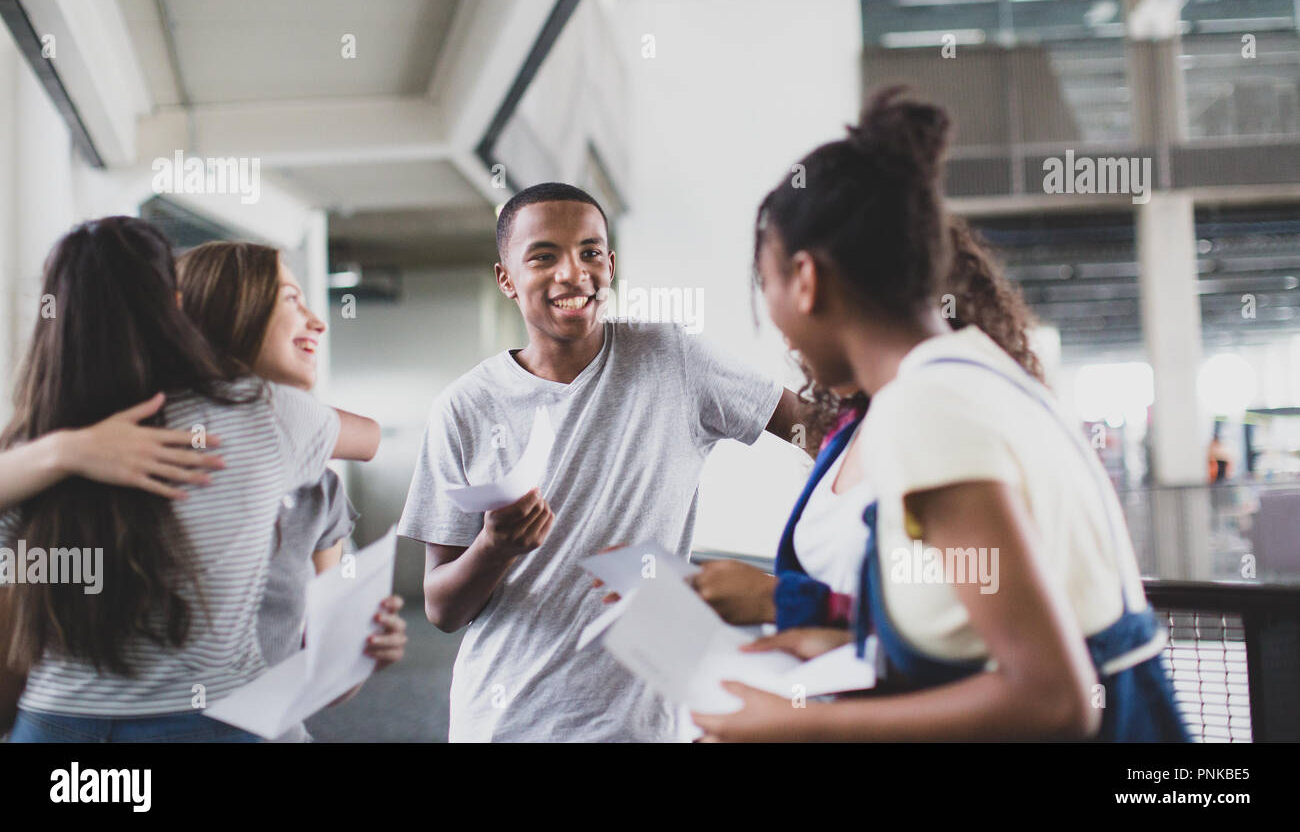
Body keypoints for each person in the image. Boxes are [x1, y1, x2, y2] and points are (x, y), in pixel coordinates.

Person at [691, 87, 1188, 742]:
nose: (778, 329)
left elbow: (1054, 701)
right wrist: (853, 649)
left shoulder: (923, 408)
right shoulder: (975, 375)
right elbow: (985, 629)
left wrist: (797, 728)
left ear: (806, 279)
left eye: (768, 287)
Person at [399, 182, 815, 742]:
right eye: (544, 256)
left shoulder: (673, 358)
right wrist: (494, 548)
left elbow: (817, 431)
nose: (573, 273)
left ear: (610, 265)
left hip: (642, 725)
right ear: (506, 280)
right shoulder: (465, 406)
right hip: (506, 722)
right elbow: (442, 608)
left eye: (590, 252)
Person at [0, 216, 379, 742]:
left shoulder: (27, 452)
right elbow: (369, 438)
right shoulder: (263, 414)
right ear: (176, 305)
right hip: (213, 720)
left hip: (55, 727)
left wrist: (63, 451)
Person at [690, 218, 1048, 632]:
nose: (788, 341)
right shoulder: (850, 427)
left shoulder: (954, 422)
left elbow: (970, 630)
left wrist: (780, 603)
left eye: (791, 298)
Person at [177, 240, 405, 742]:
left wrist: (359, 652)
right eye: (290, 300)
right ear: (231, 313)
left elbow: (322, 679)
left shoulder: (317, 492)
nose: (318, 323)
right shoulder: (145, 463)